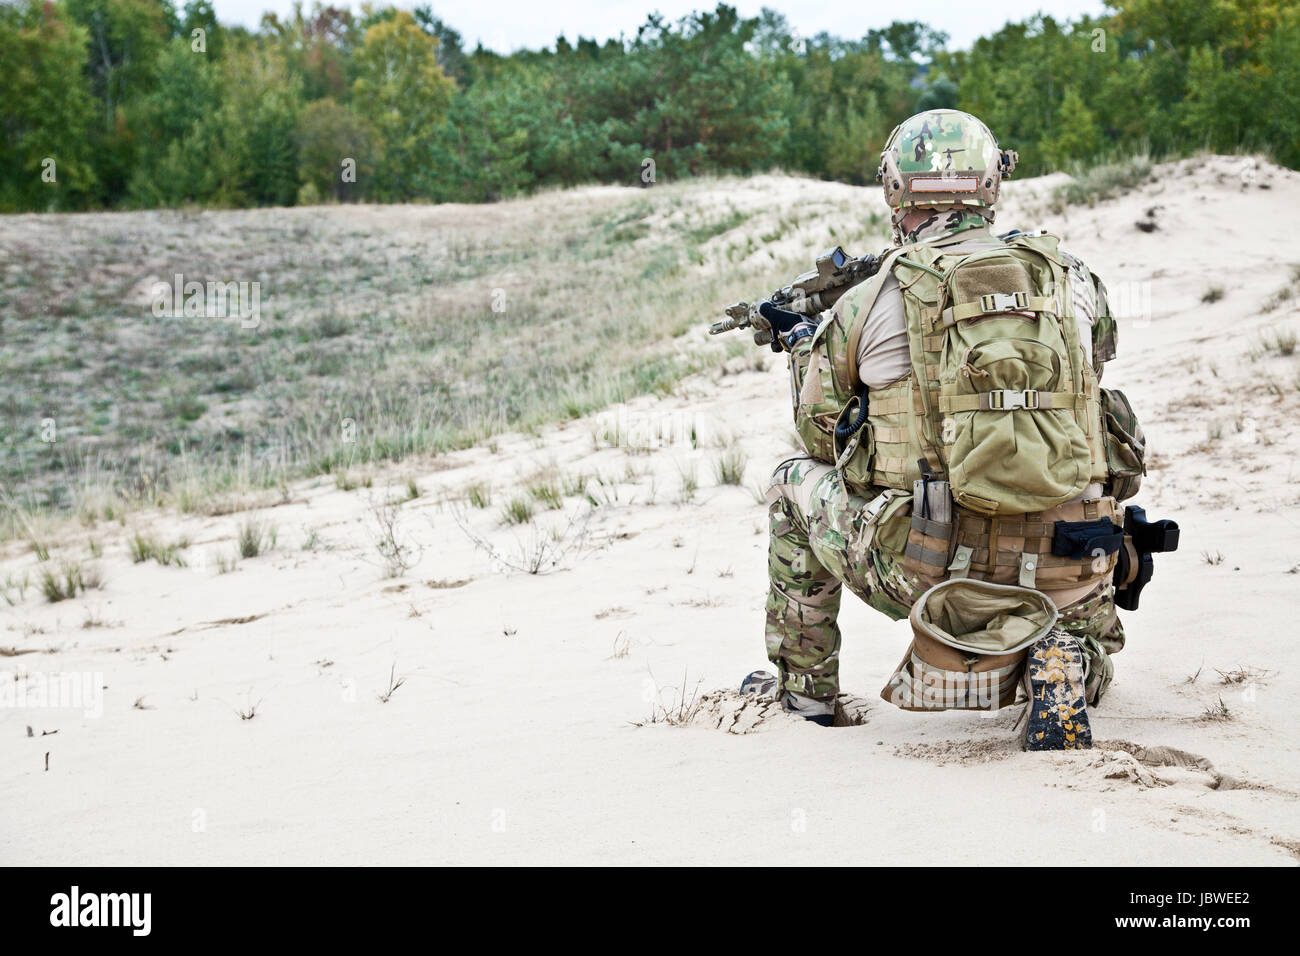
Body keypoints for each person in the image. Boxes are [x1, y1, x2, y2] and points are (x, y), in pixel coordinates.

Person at [742, 109, 1141, 749]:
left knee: (791, 484)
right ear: (990, 186)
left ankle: (804, 694)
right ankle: (1065, 660)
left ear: (896, 191)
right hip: (1072, 555)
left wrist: (804, 349)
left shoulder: (870, 299)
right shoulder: (1073, 279)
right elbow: (1095, 378)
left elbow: (819, 438)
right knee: (1083, 628)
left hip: (932, 562)